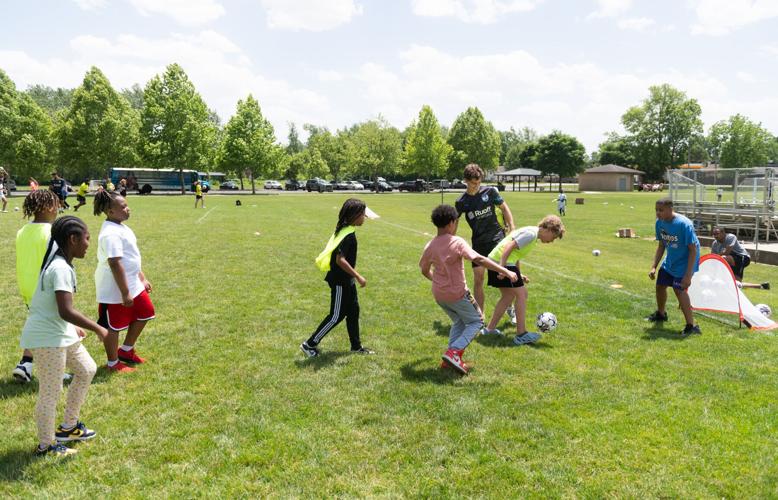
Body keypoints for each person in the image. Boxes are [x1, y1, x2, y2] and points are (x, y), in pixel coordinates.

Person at [20, 216, 108, 456]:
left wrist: (71, 327)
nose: (89, 243)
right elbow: (65, 310)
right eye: (87, 238)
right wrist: (97, 328)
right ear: (73, 239)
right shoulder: (59, 267)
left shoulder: (62, 263)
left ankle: (69, 427)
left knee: (87, 369)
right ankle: (46, 445)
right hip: (46, 337)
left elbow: (58, 309)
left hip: (59, 331)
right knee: (51, 391)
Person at [419, 205, 518, 374]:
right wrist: (505, 270)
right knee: (477, 321)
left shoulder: (430, 245)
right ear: (452, 223)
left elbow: (423, 269)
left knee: (459, 321)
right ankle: (454, 352)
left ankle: (449, 360)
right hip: (457, 293)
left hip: (439, 295)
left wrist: (437, 281)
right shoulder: (456, 241)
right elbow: (478, 258)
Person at [301, 198, 374, 357]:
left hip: (347, 280)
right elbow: (340, 260)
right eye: (362, 215)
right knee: (336, 315)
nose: (365, 218)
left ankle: (356, 346)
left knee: (353, 311)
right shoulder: (347, 235)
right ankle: (309, 344)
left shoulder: (346, 229)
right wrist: (359, 276)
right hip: (340, 281)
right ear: (355, 215)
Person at [93, 190, 155, 372]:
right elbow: (115, 262)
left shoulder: (121, 227)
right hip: (115, 289)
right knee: (114, 326)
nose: (128, 209)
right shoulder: (110, 233)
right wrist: (125, 292)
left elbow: (130, 258)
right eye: (123, 207)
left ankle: (126, 350)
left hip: (133, 284)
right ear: (110, 212)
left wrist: (141, 278)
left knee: (146, 312)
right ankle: (113, 363)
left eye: (127, 205)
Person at [482, 215, 566, 345]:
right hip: (500, 263)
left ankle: (489, 329)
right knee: (522, 294)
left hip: (496, 262)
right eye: (553, 237)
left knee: (508, 296)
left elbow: (515, 255)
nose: (552, 241)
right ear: (549, 229)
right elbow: (508, 247)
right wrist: (502, 268)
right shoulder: (531, 234)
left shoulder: (532, 234)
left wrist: (518, 274)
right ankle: (521, 334)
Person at [455, 163, 516, 322]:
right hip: (478, 244)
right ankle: (480, 317)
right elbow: (454, 222)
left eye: (478, 182)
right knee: (478, 279)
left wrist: (512, 225)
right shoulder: (461, 202)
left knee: (503, 276)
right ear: (465, 181)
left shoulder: (490, 192)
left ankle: (510, 307)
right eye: (473, 183)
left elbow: (504, 208)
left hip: (497, 238)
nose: (476, 186)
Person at [12, 190, 60, 382]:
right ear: (49, 207)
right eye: (57, 204)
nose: (59, 208)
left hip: (27, 286)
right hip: (45, 288)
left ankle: (26, 363)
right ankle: (53, 371)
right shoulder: (52, 232)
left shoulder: (22, 230)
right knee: (55, 328)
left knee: (39, 324)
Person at [646, 198, 702, 336]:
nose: (658, 213)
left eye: (661, 210)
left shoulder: (684, 224)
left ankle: (692, 326)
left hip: (686, 262)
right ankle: (661, 313)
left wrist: (688, 275)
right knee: (660, 285)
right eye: (656, 210)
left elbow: (693, 250)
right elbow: (661, 245)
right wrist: (654, 266)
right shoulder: (660, 223)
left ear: (670, 209)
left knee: (679, 290)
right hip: (671, 260)